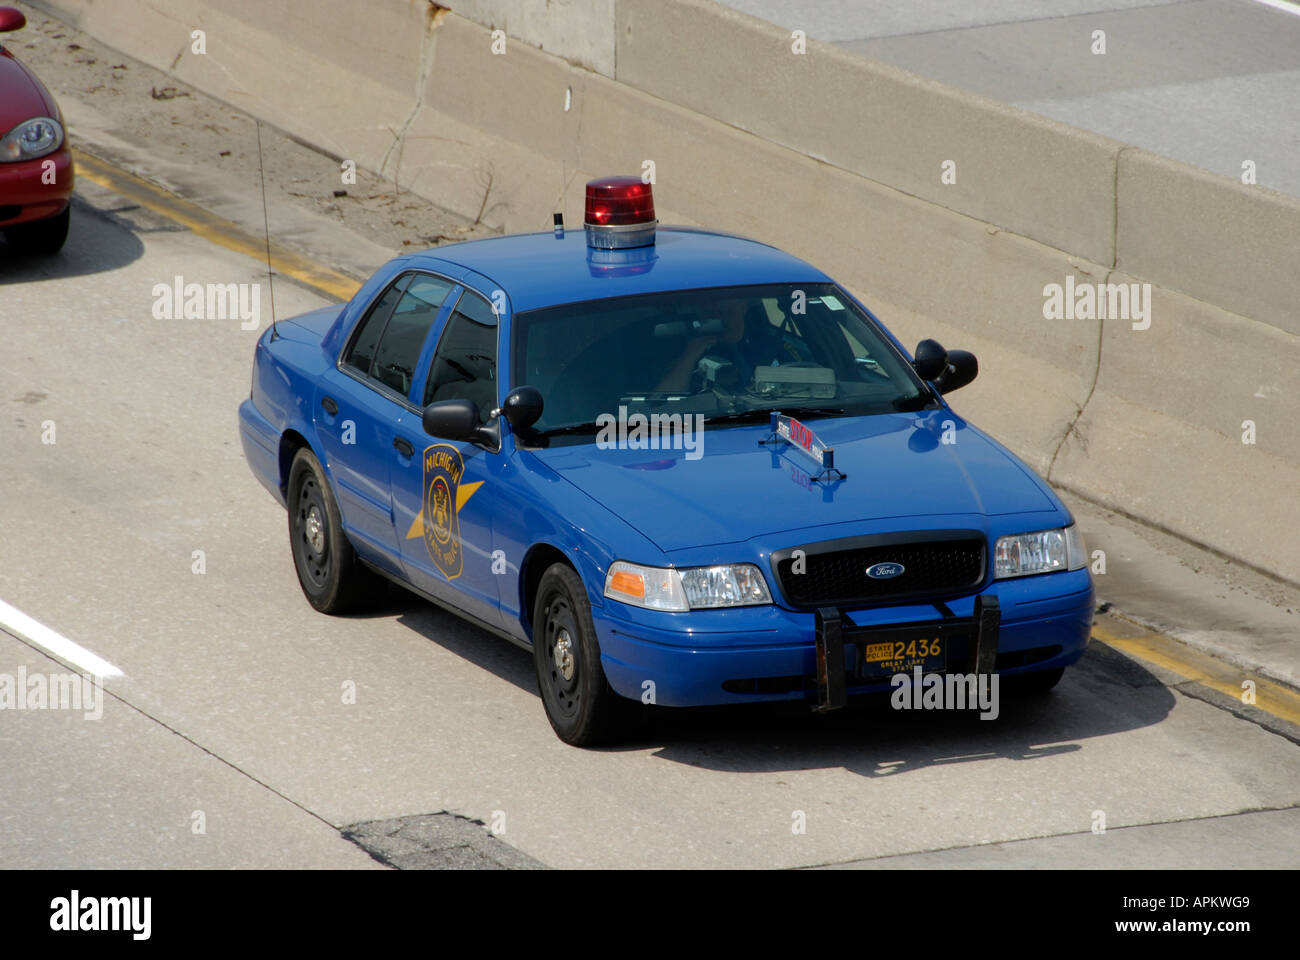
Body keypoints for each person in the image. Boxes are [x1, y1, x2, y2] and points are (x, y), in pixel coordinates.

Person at [655, 299, 812, 393]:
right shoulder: (684, 350)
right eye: (710, 314)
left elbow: (809, 384)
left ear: (743, 308)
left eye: (726, 313)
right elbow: (660, 401)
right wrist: (690, 355)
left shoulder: (772, 345)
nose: (720, 321)